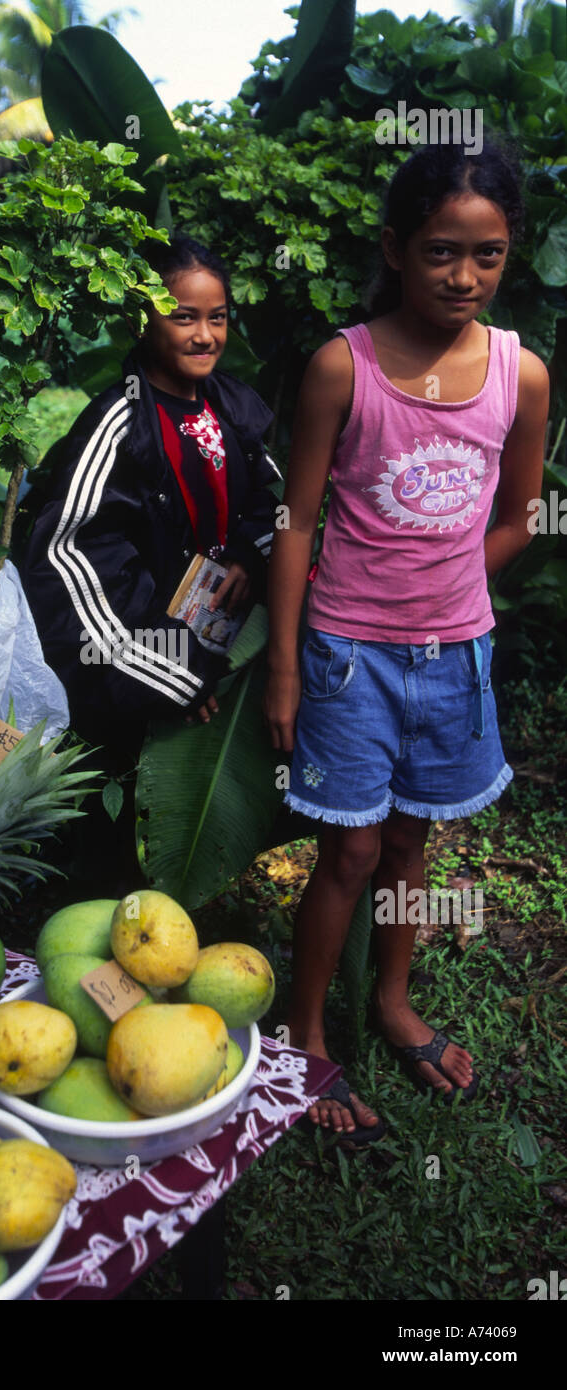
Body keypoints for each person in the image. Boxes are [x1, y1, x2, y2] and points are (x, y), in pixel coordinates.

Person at [263, 140, 549, 1145]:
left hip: (454, 658)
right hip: (347, 655)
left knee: (409, 846)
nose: (462, 277)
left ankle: (388, 999)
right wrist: (288, 668)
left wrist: (455, 585)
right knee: (343, 850)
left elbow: (518, 513)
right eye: (438, 253)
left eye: (486, 254)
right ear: (393, 249)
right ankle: (301, 1029)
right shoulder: (341, 366)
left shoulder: (520, 374)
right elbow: (294, 523)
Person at [21, 235, 280, 890]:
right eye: (183, 316)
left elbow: (273, 501)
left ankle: (171, 912)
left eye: (217, 317)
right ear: (147, 319)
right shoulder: (120, 421)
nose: (204, 335)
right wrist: (163, 668)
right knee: (113, 812)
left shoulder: (231, 407)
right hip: (140, 657)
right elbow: (72, 552)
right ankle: (97, 922)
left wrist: (251, 551)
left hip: (211, 641)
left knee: (174, 816)